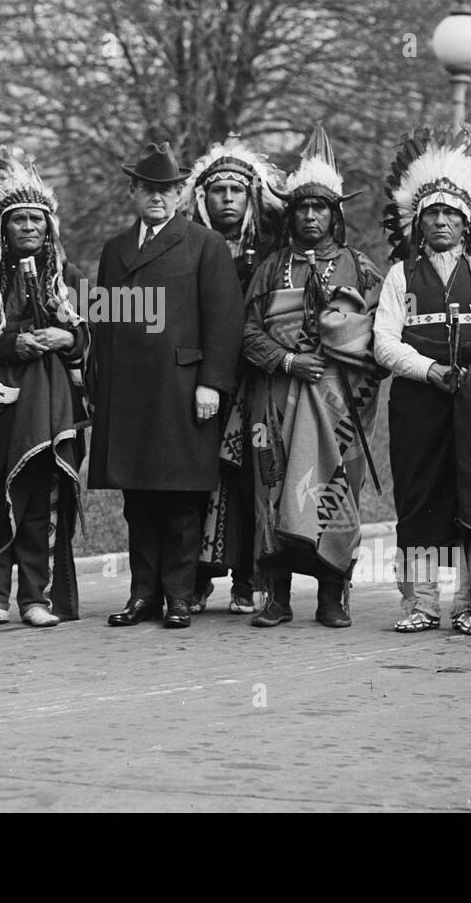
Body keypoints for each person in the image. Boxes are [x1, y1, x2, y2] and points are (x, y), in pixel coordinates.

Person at [375, 125, 471, 635]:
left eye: (451, 214)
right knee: (420, 500)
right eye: (432, 214)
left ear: (468, 223)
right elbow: (384, 343)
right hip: (419, 403)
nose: (440, 221)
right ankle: (421, 603)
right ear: (417, 223)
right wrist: (430, 369)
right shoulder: (400, 274)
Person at [90, 141, 244, 629]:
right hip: (130, 392)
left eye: (168, 189)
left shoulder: (204, 244)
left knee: (181, 497)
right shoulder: (115, 250)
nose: (158, 197)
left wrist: (212, 385)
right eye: (148, 189)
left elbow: (223, 322)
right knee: (138, 499)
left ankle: (179, 596)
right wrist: (99, 387)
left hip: (181, 388)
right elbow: (105, 322)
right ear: (133, 193)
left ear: (180, 194)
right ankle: (143, 596)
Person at [242, 125, 383, 629]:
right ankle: (276, 595)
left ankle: (331, 595)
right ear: (290, 215)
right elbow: (248, 333)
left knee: (334, 489)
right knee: (276, 489)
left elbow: (381, 336)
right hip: (276, 399)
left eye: (319, 208)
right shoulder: (269, 268)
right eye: (301, 208)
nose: (309, 216)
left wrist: (344, 354)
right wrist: (288, 361)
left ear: (334, 214)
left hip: (340, 408)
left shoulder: (360, 267)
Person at [0, 146, 88, 628]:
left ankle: (38, 597)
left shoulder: (69, 279)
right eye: (19, 220)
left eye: (37, 219)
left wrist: (67, 336)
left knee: (40, 500)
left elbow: (93, 342)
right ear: (1, 228)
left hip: (50, 410)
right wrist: (16, 344)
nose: (29, 227)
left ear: (49, 227)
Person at [184, 134, 282, 616]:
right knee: (200, 476)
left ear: (252, 197)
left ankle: (249, 578)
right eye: (217, 190)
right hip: (199, 380)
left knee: (250, 478)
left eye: (236, 190)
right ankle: (197, 578)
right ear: (201, 197)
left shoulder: (270, 254)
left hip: (257, 380)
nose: (227, 198)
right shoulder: (185, 248)